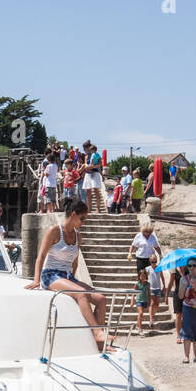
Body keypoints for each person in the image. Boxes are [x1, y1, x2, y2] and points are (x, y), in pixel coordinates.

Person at [25, 200, 112, 352]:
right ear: (73, 214)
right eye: (82, 218)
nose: (83, 222)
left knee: (101, 299)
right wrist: (37, 279)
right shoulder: (54, 230)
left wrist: (72, 280)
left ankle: (99, 345)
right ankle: (98, 333)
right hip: (51, 275)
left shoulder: (78, 236)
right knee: (81, 294)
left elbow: (75, 261)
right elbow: (41, 256)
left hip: (67, 276)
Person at [83, 143, 105, 213]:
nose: (85, 150)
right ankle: (89, 209)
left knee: (96, 191)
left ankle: (98, 208)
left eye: (85, 148)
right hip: (88, 174)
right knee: (88, 192)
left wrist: (92, 167)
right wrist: (88, 167)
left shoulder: (97, 155)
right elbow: (86, 165)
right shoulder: (86, 156)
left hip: (95, 173)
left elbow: (100, 164)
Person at [133, 267, 151, 331]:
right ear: (139, 276)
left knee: (141, 314)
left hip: (145, 300)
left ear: (146, 276)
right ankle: (140, 327)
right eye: (141, 276)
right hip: (138, 300)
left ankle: (137, 325)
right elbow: (133, 293)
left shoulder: (148, 284)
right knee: (140, 313)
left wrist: (149, 301)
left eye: (144, 276)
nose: (143, 277)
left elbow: (149, 293)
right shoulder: (137, 284)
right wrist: (132, 301)